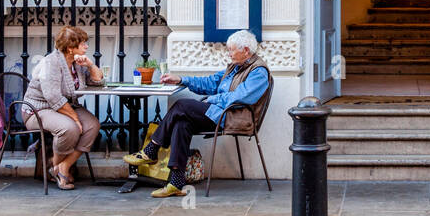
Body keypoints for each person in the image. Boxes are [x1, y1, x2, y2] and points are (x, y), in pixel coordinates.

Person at [123, 29, 269, 198]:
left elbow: (241, 97)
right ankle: (175, 183)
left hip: (232, 118)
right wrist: (181, 80)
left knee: (181, 106)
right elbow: (209, 82)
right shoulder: (234, 68)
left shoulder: (258, 71)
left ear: (245, 51)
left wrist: (213, 100)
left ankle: (151, 149)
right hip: (219, 114)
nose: (228, 54)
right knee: (181, 122)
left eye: (231, 50)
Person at [21, 25, 103, 190]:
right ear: (71, 48)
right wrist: (74, 118)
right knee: (69, 128)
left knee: (92, 125)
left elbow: (97, 81)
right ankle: (58, 172)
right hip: (39, 109)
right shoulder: (51, 62)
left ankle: (62, 166)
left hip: (65, 106)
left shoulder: (77, 63)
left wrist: (90, 65)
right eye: (83, 44)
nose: (86, 47)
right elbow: (52, 96)